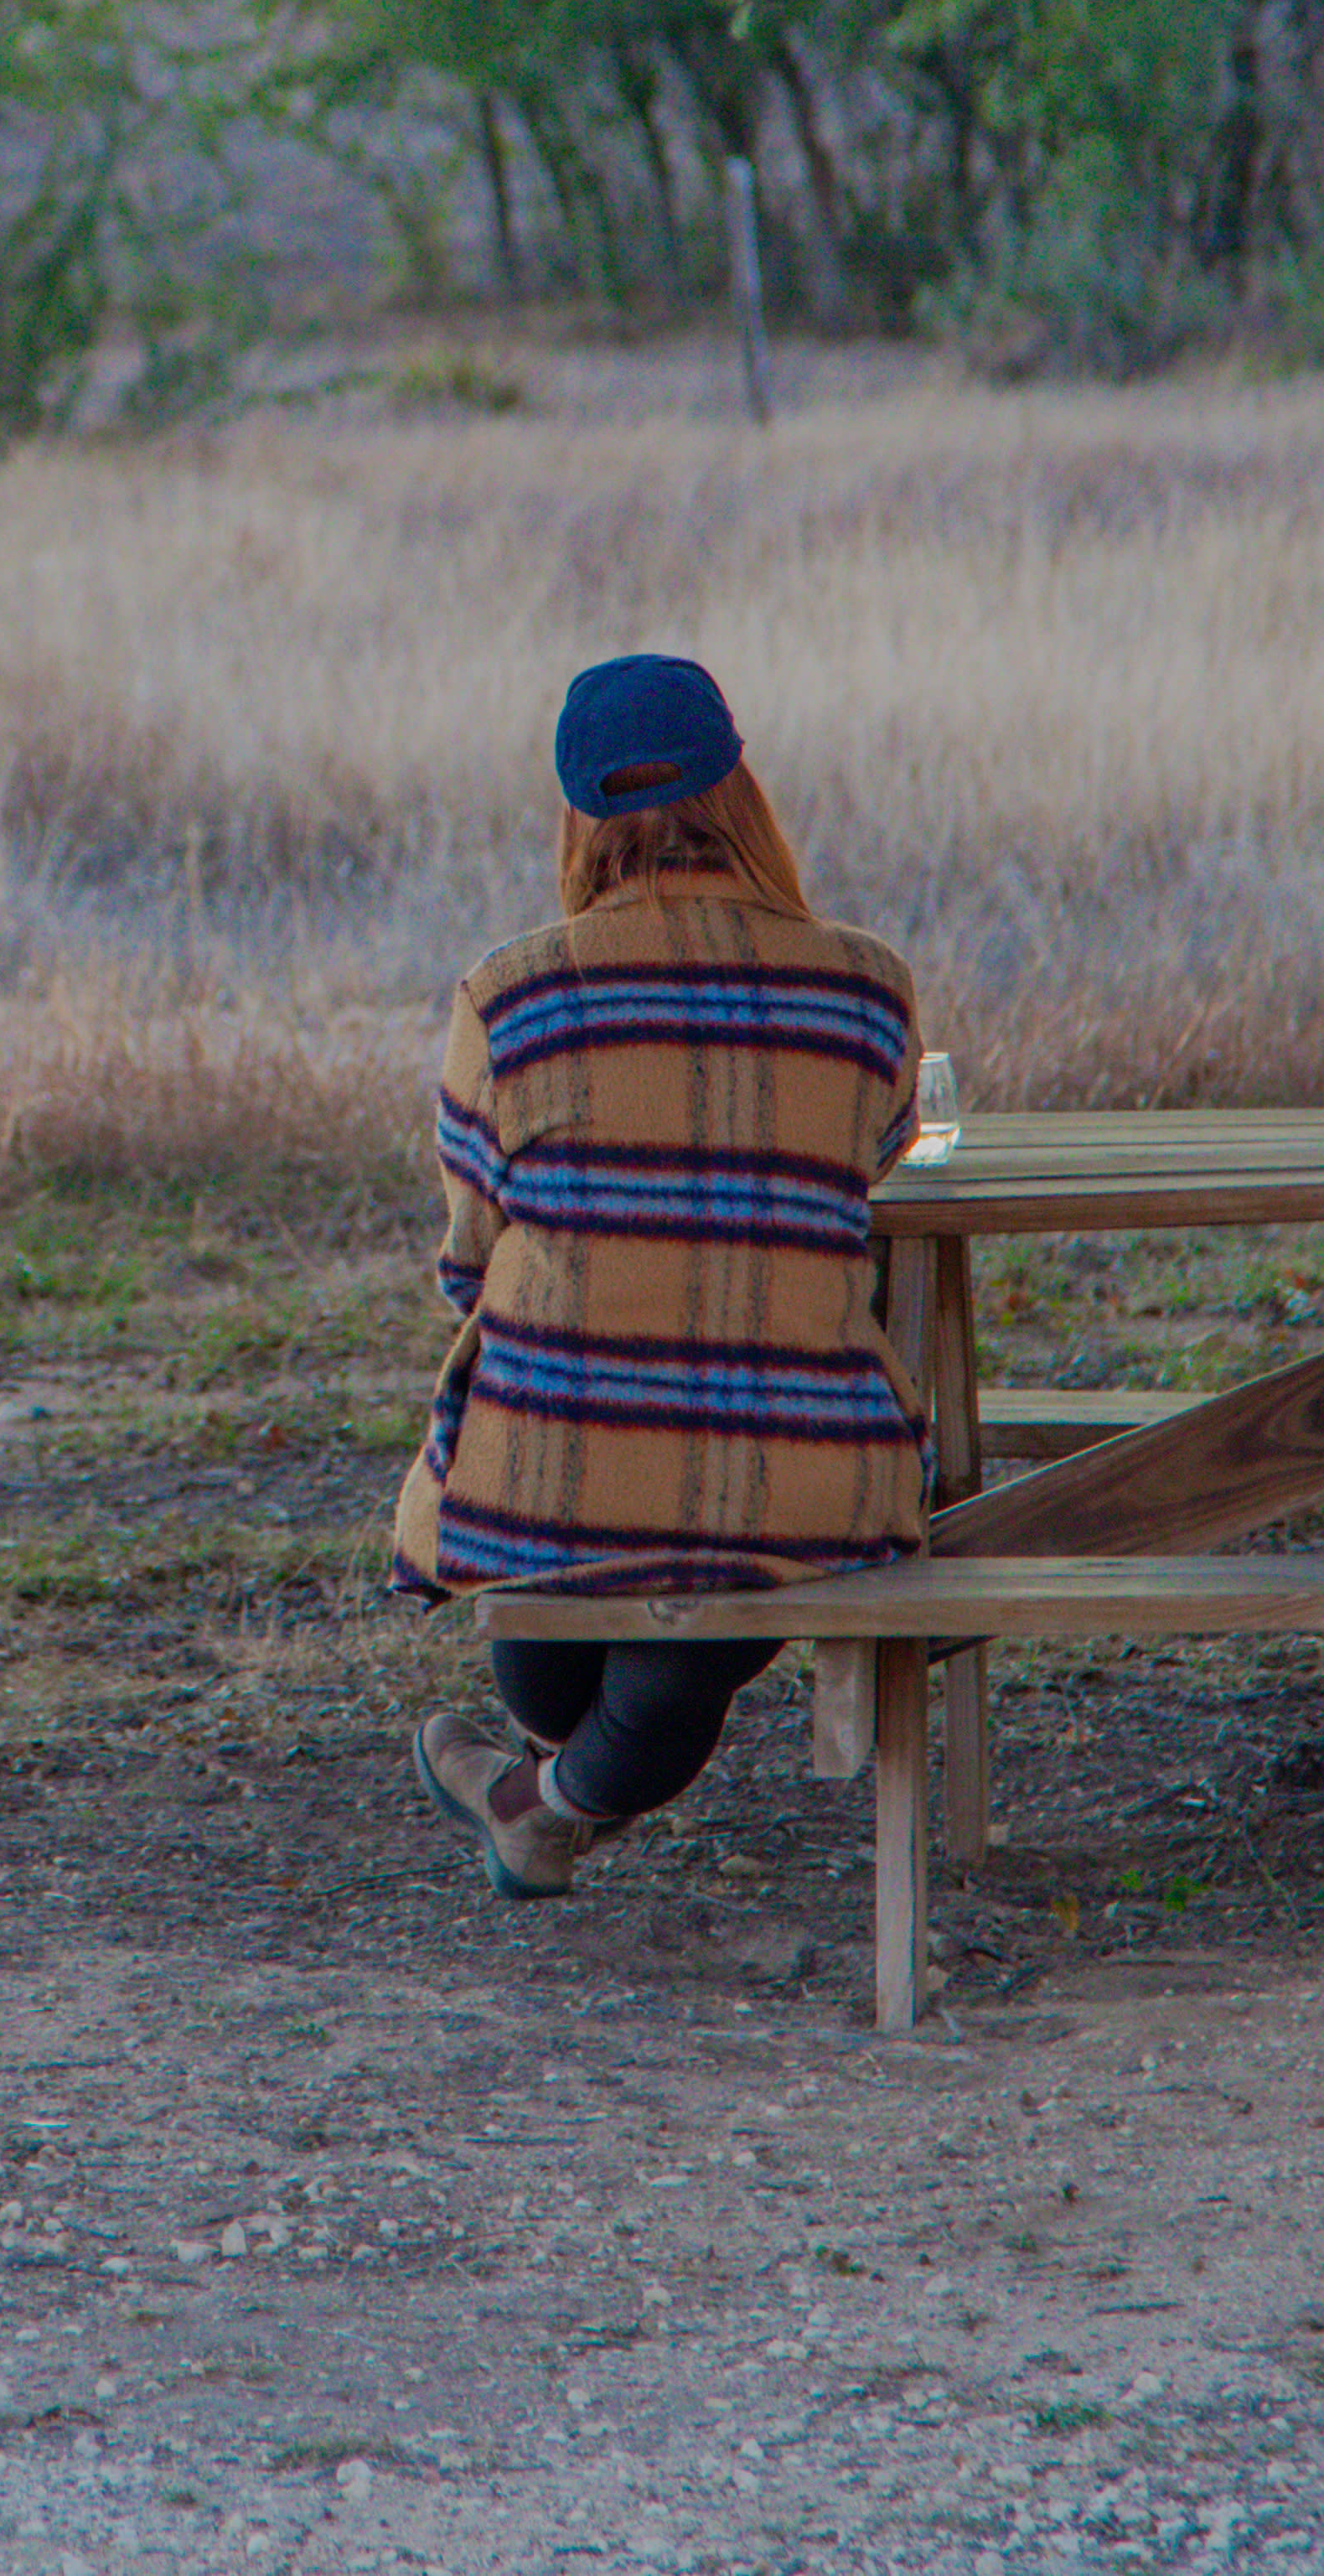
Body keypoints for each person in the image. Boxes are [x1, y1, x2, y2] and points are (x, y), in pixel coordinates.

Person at [395, 654, 924, 1901]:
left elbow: (468, 1243)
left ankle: (530, 1796)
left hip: (544, 1493)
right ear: (743, 793)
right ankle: (554, 1799)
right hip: (807, 1484)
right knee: (700, 1582)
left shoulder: (509, 997)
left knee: (550, 1523)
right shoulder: (868, 986)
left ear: (573, 816)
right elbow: (882, 1159)